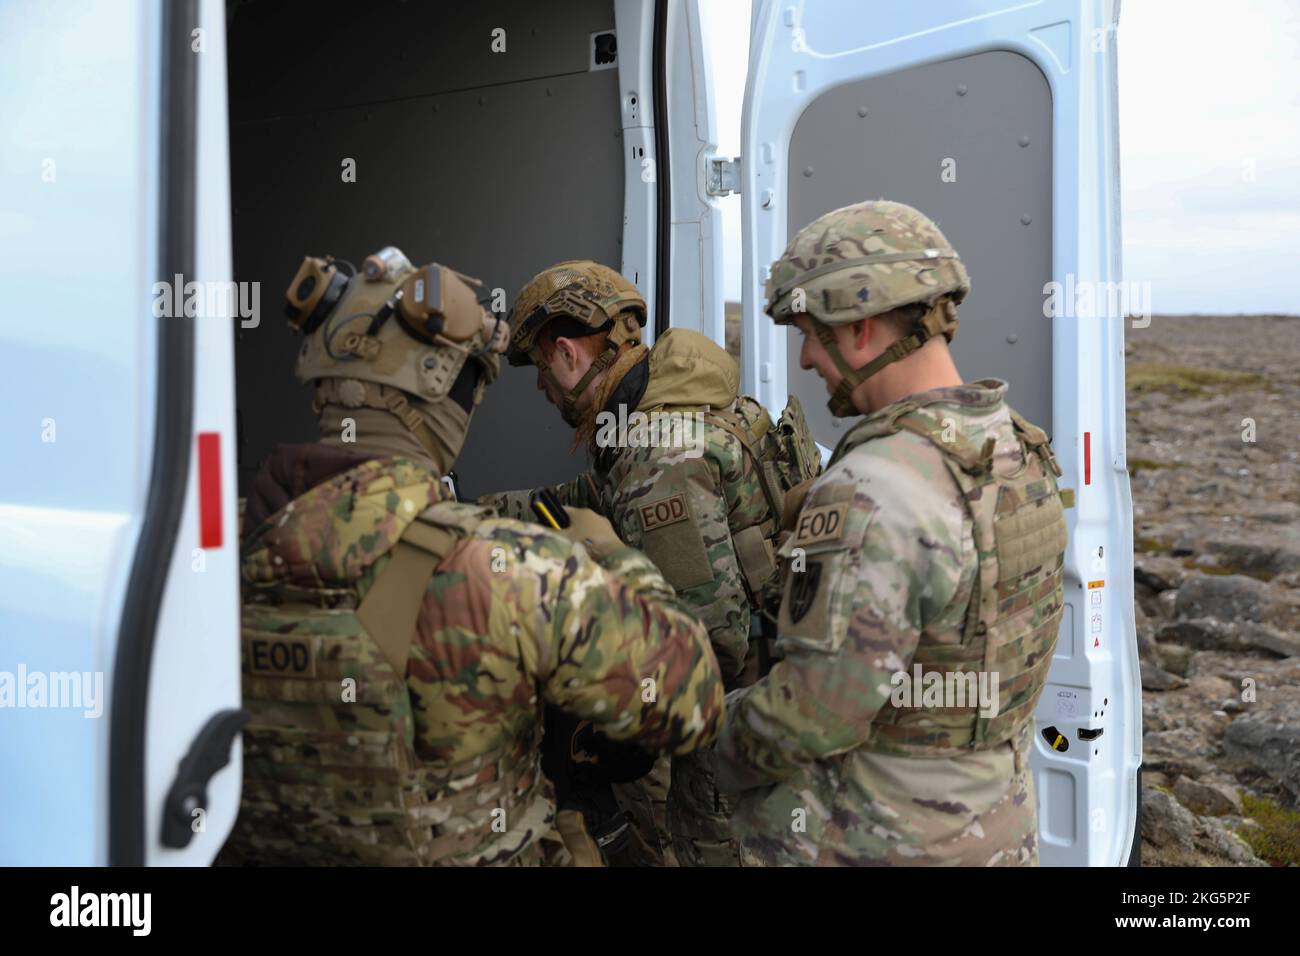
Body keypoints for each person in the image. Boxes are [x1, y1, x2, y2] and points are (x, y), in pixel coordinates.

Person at [219, 247, 724, 867]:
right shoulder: (509, 573)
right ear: (439, 397)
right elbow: (691, 696)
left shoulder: (211, 558)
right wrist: (617, 559)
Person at [712, 200, 1069, 866]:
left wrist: (705, 732)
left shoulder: (874, 487)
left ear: (863, 327)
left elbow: (811, 716)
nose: (809, 358)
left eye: (811, 333)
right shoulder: (1017, 447)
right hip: (997, 828)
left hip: (875, 839)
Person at [481, 260, 819, 866]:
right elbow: (581, 501)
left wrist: (598, 733)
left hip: (719, 750)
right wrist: (466, 513)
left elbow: (708, 649)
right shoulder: (670, 406)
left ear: (566, 354)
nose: (542, 389)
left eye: (539, 370)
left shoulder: (657, 456)